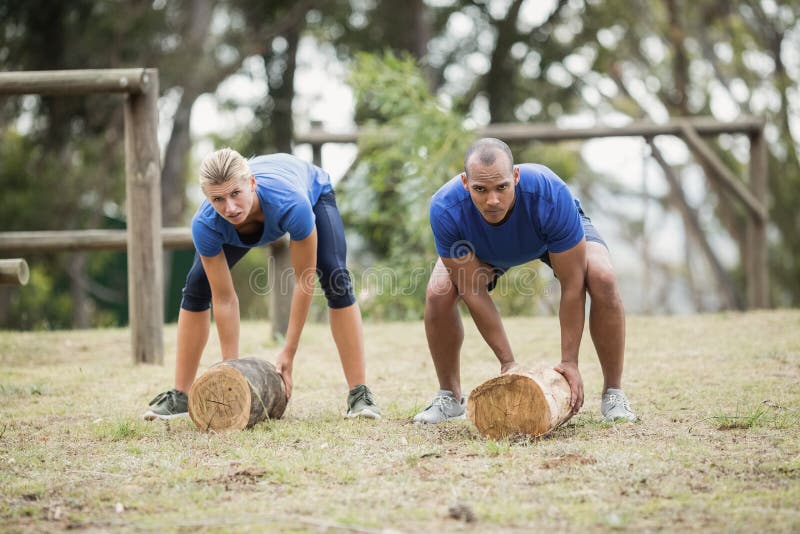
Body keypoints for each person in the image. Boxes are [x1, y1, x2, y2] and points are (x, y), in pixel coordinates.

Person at [143, 148, 381, 421]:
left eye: (235, 194)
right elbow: (224, 298)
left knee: (336, 278)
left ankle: (359, 394)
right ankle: (180, 396)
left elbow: (303, 281)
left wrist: (288, 354)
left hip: (313, 192)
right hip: (260, 210)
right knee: (197, 287)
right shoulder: (206, 224)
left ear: (251, 184)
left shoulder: (292, 203)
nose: (229, 207)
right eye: (217, 199)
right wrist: (232, 372)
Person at [413, 138, 636, 424]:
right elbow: (473, 290)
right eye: (481, 189)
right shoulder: (445, 208)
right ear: (466, 183)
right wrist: (508, 363)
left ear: (515, 177)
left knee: (602, 277)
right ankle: (449, 396)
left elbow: (572, 284)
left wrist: (570, 362)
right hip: (484, 250)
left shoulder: (550, 193)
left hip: (547, 239)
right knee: (439, 292)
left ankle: (613, 393)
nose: (492, 200)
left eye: (501, 187)